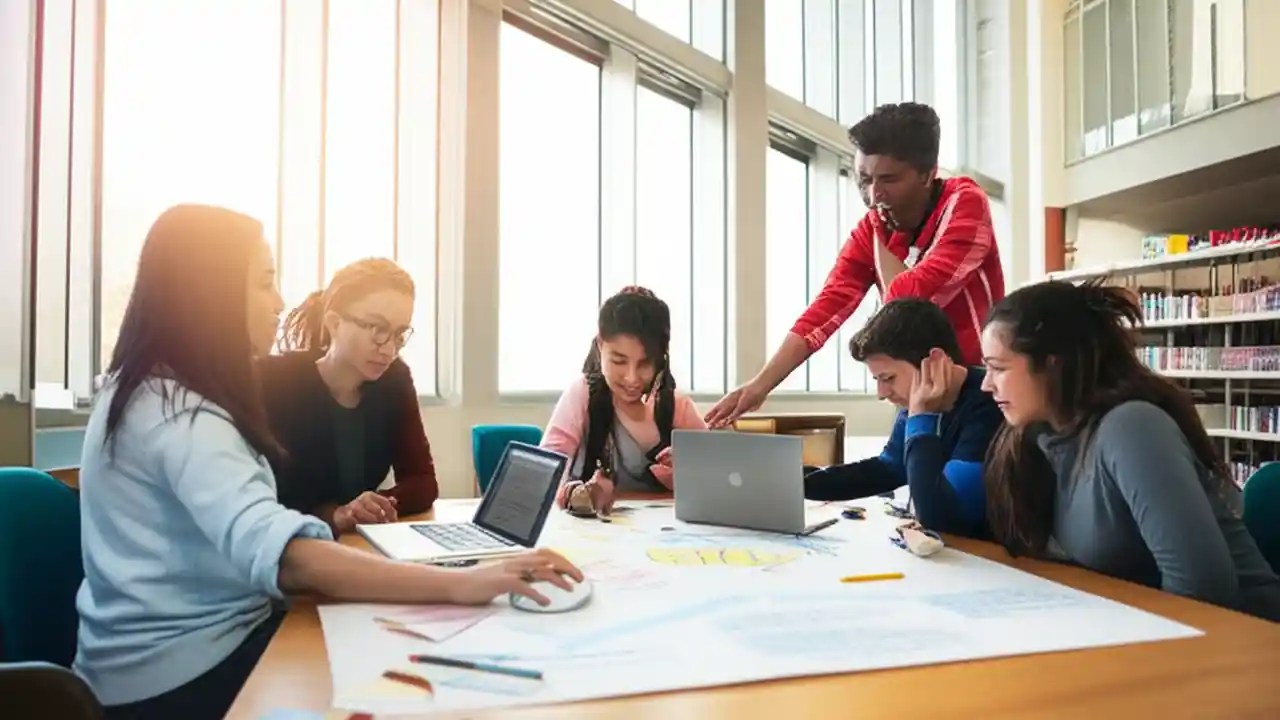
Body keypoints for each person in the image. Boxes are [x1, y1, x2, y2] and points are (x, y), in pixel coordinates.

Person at [75, 204, 583, 719]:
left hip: (198, 643)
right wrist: (467, 583)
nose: (279, 302)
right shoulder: (179, 414)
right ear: (208, 291)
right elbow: (287, 555)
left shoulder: (153, 393)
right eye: (264, 282)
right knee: (409, 679)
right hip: (180, 673)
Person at [980, 280, 1280, 622]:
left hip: (1244, 637)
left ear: (1053, 363)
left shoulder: (1132, 427)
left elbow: (1203, 590)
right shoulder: (1035, 439)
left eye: (998, 368)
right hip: (1146, 625)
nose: (986, 384)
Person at [707, 102, 1005, 428]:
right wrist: (759, 386)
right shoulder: (871, 229)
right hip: (914, 391)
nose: (874, 195)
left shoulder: (964, 202)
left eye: (889, 179)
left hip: (978, 387)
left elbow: (908, 304)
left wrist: (878, 229)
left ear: (928, 174)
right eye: (863, 179)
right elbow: (826, 309)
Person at [259, 258, 437, 535]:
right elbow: (266, 498)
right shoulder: (276, 381)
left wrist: (371, 507)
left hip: (359, 543)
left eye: (399, 334)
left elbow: (423, 482)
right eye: (377, 329)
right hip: (292, 546)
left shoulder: (395, 380)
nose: (388, 349)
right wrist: (336, 515)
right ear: (334, 323)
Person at [803, 299, 1001, 537]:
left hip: (991, 555)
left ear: (934, 361)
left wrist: (922, 417)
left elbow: (938, 515)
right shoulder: (916, 405)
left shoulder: (989, 406)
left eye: (888, 378)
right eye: (877, 380)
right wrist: (800, 482)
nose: (881, 393)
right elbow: (889, 468)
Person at [541, 287, 706, 515]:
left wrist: (690, 472)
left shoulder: (677, 407)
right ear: (600, 346)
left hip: (664, 532)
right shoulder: (583, 395)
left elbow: (717, 479)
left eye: (644, 364)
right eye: (619, 361)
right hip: (592, 530)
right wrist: (576, 493)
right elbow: (545, 474)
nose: (632, 378)